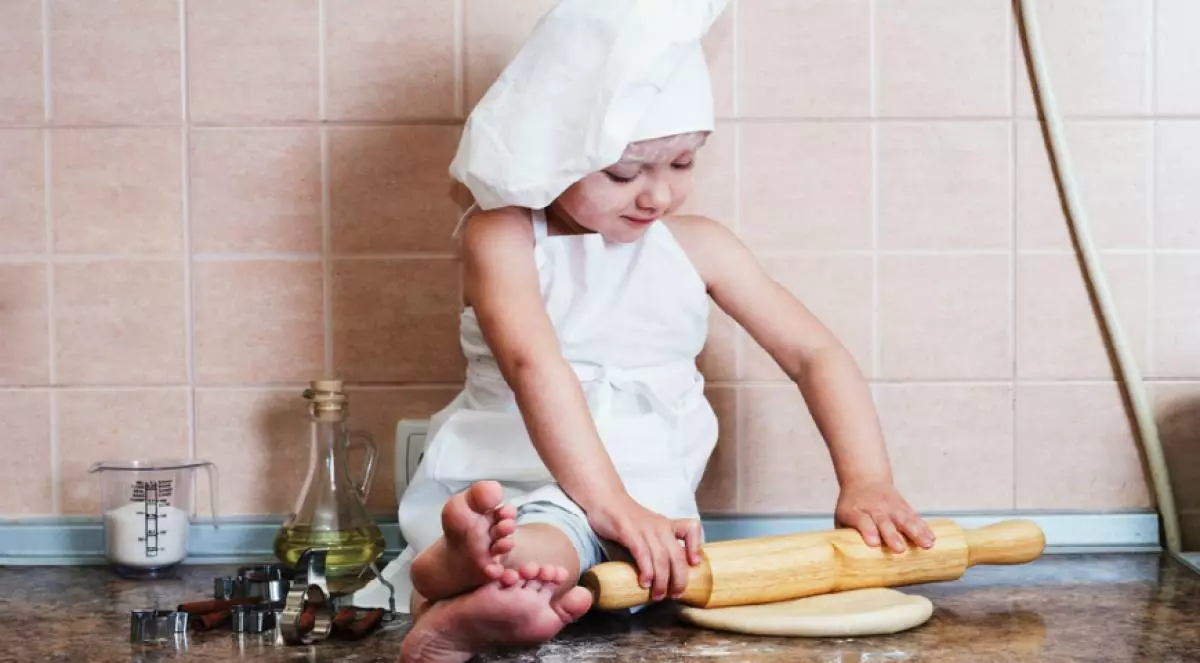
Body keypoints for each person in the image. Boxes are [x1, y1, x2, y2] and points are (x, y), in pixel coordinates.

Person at [384, 1, 935, 660]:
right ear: (555, 145)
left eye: (682, 162)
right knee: (551, 532)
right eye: (623, 172)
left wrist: (866, 477)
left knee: (560, 567)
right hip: (515, 476)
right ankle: (455, 565)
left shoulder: (700, 248)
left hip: (639, 505)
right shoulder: (500, 234)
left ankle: (460, 584)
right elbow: (534, 361)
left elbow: (814, 353)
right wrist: (607, 500)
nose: (658, 195)